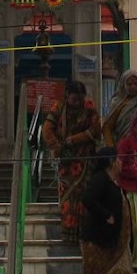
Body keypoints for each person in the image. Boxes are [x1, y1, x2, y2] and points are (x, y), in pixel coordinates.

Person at [68, 148, 137, 274]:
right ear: (110, 162)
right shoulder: (100, 179)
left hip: (114, 242)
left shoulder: (113, 181)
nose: (121, 162)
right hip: (99, 241)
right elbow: (88, 198)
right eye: (118, 159)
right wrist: (106, 216)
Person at [42, 80, 102, 246]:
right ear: (67, 95)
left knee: (84, 195)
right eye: (74, 99)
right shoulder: (58, 107)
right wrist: (58, 146)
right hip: (66, 161)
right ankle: (69, 231)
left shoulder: (89, 107)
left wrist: (75, 139)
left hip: (86, 160)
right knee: (68, 195)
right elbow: (47, 129)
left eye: (80, 98)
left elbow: (96, 129)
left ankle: (85, 231)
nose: (77, 102)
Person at [115, 114, 137, 260]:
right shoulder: (126, 143)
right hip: (129, 190)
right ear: (133, 128)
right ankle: (135, 259)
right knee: (134, 226)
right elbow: (119, 166)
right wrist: (136, 171)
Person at [102, 70, 137, 144]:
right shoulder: (117, 102)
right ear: (123, 85)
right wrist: (111, 147)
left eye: (136, 83)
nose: (133, 87)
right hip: (123, 144)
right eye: (129, 84)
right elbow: (107, 127)